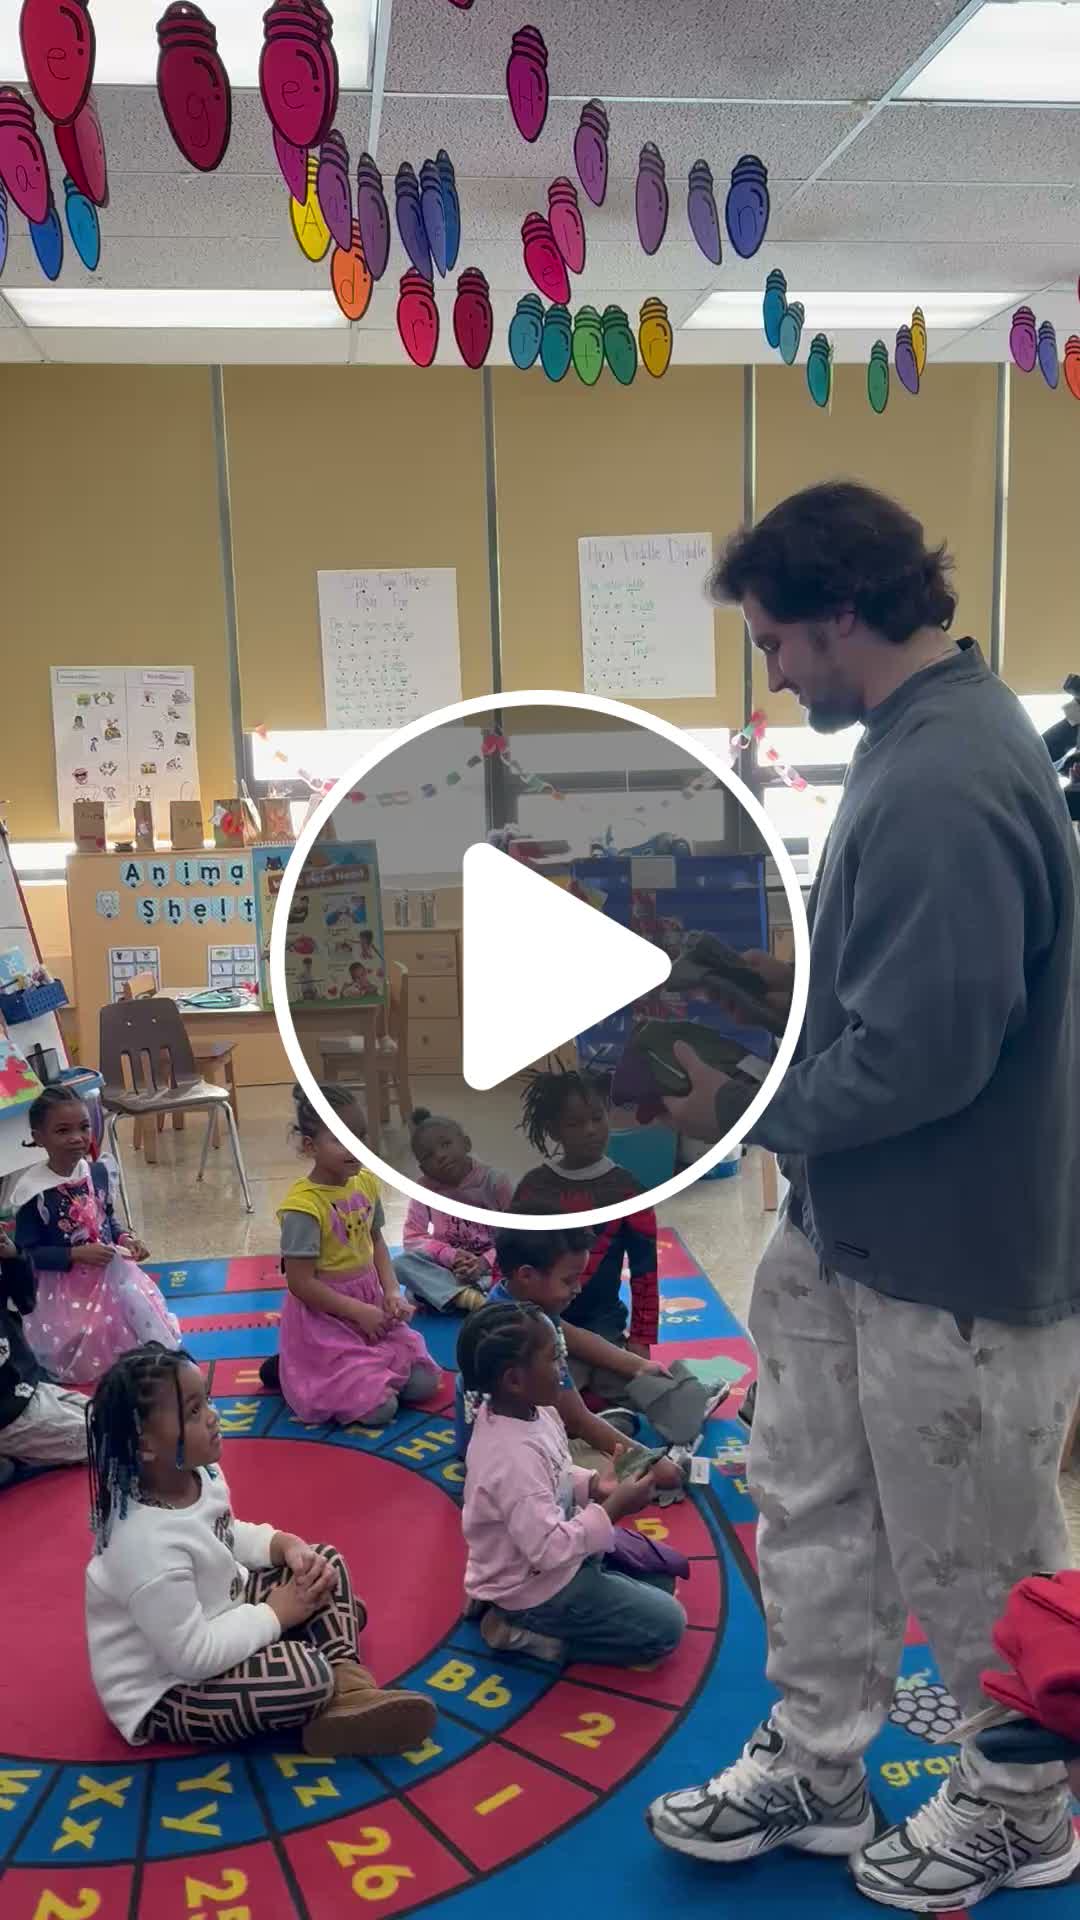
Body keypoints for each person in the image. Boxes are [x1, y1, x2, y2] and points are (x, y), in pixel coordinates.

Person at [648, 481, 1080, 1908]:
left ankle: (1021, 1803)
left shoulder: (952, 774)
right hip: (852, 1232)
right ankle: (821, 1760)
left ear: (843, 613)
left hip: (955, 1258)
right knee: (812, 1497)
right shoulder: (909, 746)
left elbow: (930, 1052)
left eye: (777, 639)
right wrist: (722, 977)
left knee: (977, 1550)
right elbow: (872, 993)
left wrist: (740, 1112)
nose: (771, 668)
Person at [84, 1343, 436, 1754]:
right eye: (194, 1412)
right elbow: (193, 1657)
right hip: (168, 1686)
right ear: (145, 1445)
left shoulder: (198, 1473)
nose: (213, 1417)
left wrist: (283, 1546)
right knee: (305, 1674)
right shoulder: (145, 1547)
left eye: (207, 1401)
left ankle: (349, 1687)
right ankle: (324, 1664)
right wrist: (277, 1613)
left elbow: (225, 1532)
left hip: (224, 1609)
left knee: (323, 1562)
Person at [459, 1300, 686, 1666]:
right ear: (514, 1380)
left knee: (663, 1581)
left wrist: (595, 1486)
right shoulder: (510, 1458)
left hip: (562, 1555)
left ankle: (498, 1599)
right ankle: (520, 1631)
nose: (563, 1367)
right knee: (667, 1628)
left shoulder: (537, 1410)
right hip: (535, 1587)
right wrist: (613, 1509)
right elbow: (547, 1552)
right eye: (553, 1358)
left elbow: (557, 1473)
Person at [452, 1224, 676, 1477]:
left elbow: (577, 1338)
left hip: (540, 1413)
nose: (578, 1288)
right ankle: (612, 1423)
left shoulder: (522, 1301)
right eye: (568, 1280)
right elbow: (577, 1418)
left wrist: (638, 1365)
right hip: (505, 1455)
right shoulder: (521, 1327)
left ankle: (641, 1410)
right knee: (610, 1477)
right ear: (526, 1275)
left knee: (620, 1371)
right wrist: (650, 1462)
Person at [277, 1084, 439, 1427]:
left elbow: (376, 1240)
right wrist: (357, 1311)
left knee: (425, 1383)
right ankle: (294, 1367)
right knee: (380, 1410)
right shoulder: (303, 1207)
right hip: (325, 1321)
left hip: (369, 1306)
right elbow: (300, 1283)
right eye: (340, 1139)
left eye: (360, 1136)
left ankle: (337, 1369)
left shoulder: (365, 1183)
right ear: (311, 1146)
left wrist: (391, 1292)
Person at [11, 1086, 179, 1385]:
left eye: (84, 1127)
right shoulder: (33, 1192)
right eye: (63, 1130)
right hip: (64, 1289)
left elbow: (107, 1217)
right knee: (83, 1336)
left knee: (139, 1316)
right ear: (39, 1137)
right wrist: (73, 1254)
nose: (77, 1137)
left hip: (110, 1274)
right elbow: (26, 1252)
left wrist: (125, 1238)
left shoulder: (97, 1172)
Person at [513, 1066, 660, 1393]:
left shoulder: (628, 1189)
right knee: (551, 1386)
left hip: (601, 1320)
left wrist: (641, 1339)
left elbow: (645, 1270)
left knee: (619, 1384)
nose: (590, 1130)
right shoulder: (534, 1187)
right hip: (541, 1317)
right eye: (575, 1123)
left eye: (597, 1118)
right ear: (553, 1130)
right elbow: (510, 1258)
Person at [395, 1109, 513, 1313]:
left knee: (529, 1259)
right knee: (400, 1265)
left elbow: (517, 1233)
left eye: (446, 1144)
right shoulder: (424, 1188)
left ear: (466, 1144)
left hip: (494, 1265)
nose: (440, 1155)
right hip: (452, 1270)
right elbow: (412, 1238)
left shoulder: (495, 1182)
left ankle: (455, 1296)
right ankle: (473, 1299)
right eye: (429, 1155)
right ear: (423, 1168)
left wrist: (485, 1262)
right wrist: (449, 1256)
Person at [0, 1227, 87, 1471]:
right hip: (8, 1412)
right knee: (105, 1437)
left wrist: (12, 1256)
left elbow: (25, 1301)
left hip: (26, 1385)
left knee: (107, 1411)